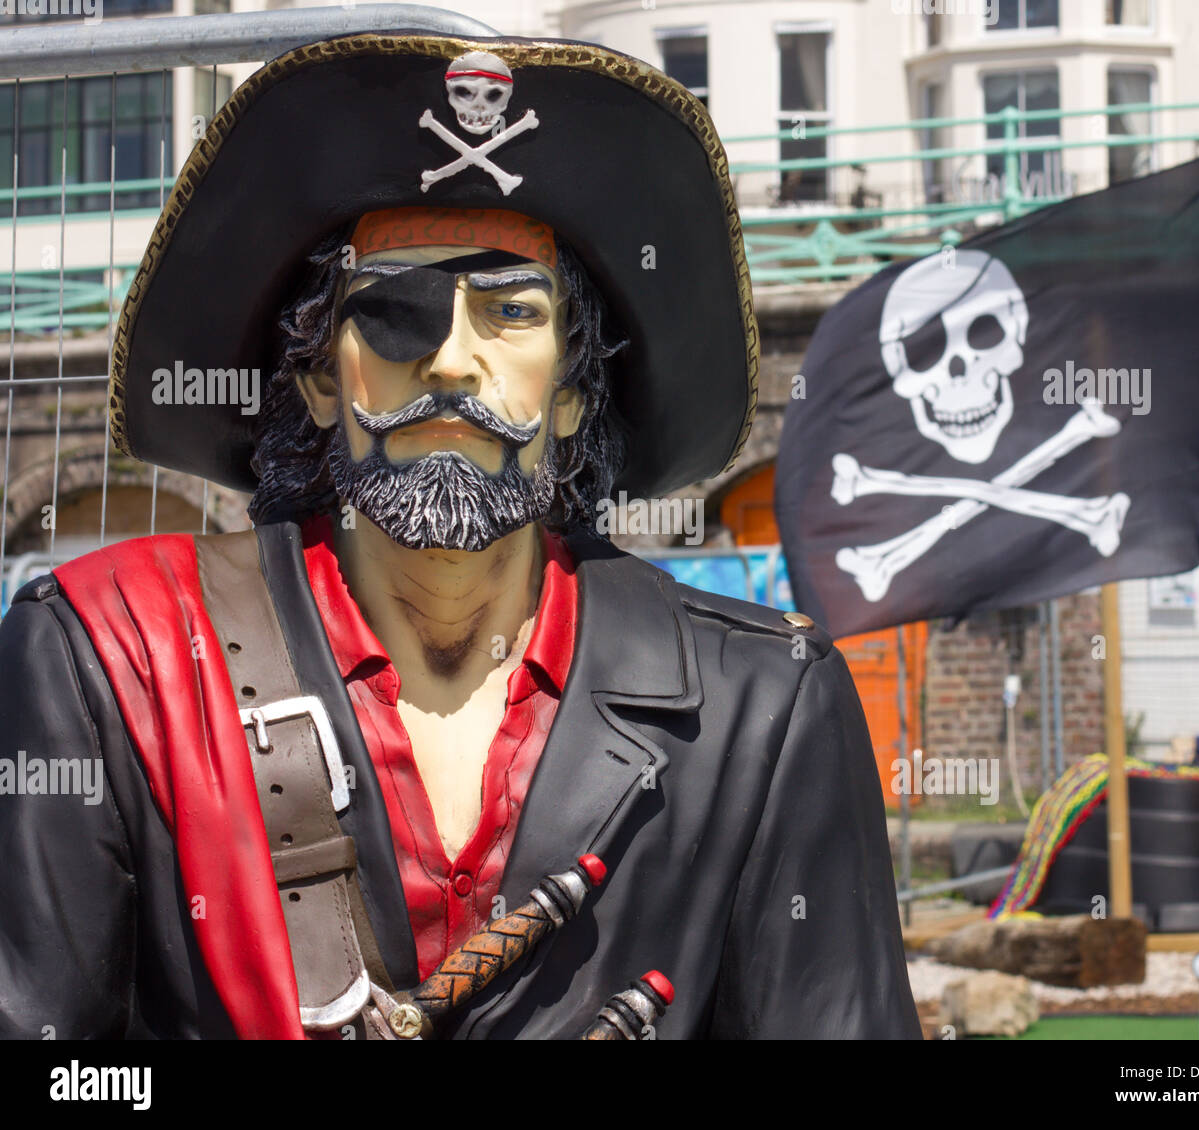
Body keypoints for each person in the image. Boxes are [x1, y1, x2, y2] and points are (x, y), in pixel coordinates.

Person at [0, 29, 919, 1040]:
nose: (451, 359)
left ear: (572, 389)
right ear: (316, 378)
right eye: (396, 310)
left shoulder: (765, 710)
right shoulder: (111, 661)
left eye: (509, 310)